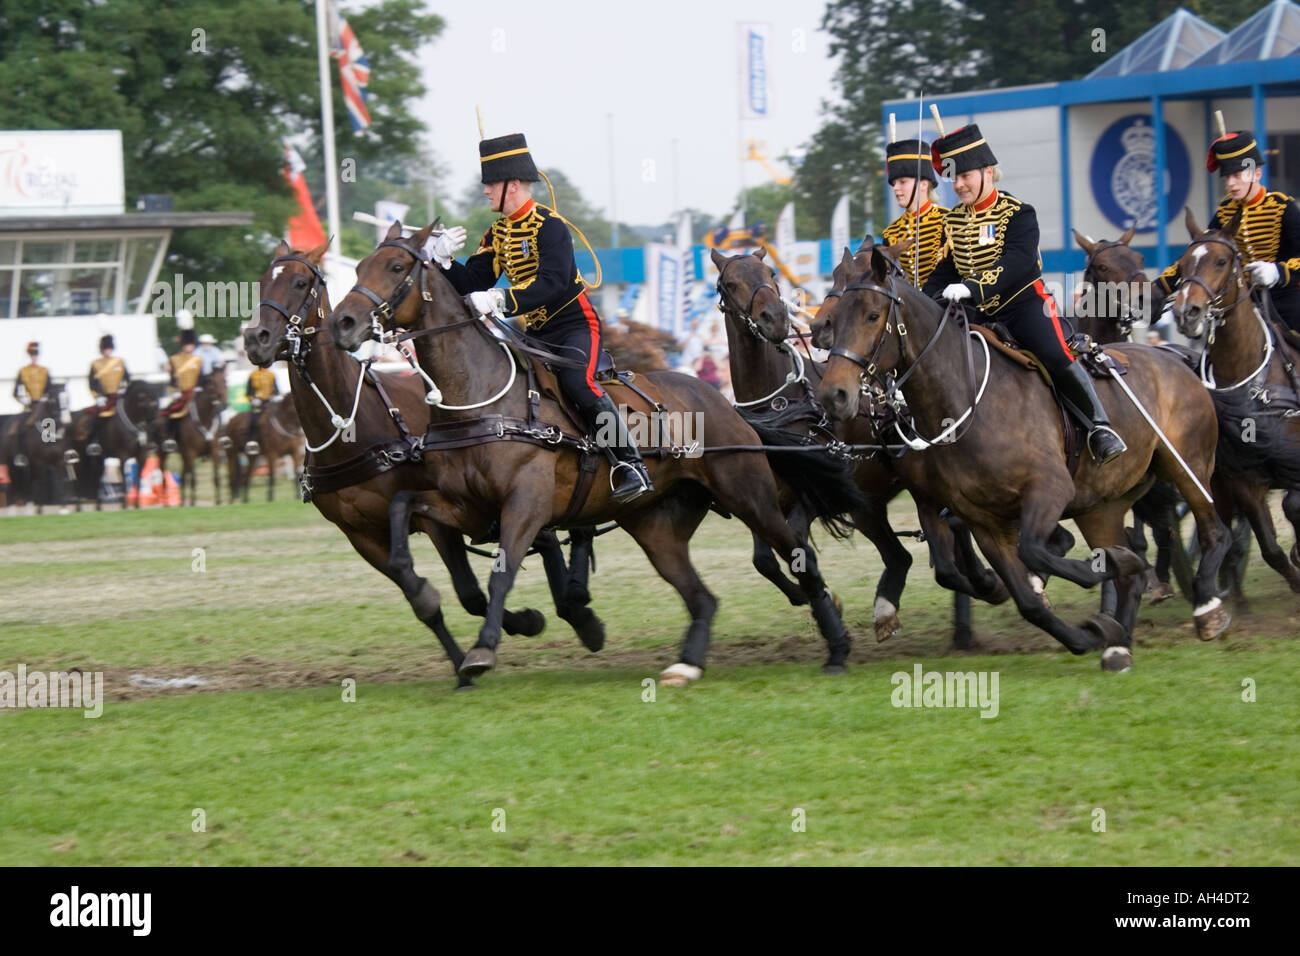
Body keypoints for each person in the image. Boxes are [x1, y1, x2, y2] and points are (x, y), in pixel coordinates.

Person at [430, 132, 653, 501]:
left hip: (574, 326)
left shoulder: (549, 226)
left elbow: (552, 283)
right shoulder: (497, 233)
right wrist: (445, 262)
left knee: (577, 382)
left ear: (512, 185)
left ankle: (631, 464)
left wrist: (500, 298)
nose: (485, 192)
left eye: (491, 185)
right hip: (532, 332)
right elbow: (473, 282)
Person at [922, 124, 1126, 464]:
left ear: (988, 172)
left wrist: (970, 287)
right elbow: (944, 273)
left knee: (1055, 353)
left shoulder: (1018, 213)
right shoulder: (953, 221)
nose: (958, 185)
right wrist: (922, 300)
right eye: (952, 178)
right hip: (978, 313)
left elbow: (1018, 263)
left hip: (1024, 306)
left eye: (965, 176)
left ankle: (1099, 427)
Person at [1154, 129, 1300, 334]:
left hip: (1286, 301)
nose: (1231, 183)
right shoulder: (1225, 212)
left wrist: (1277, 272)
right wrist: (1158, 289)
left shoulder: (1282, 207)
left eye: (1237, 175)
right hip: (1242, 302)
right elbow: (1199, 256)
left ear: (1256, 174)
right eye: (1227, 177)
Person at [881, 138, 947, 288]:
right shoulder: (891, 233)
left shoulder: (947, 220)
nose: (896, 188)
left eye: (903, 182)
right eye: (894, 183)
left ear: (923, 184)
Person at [87, 334, 130, 456]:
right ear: (102, 349)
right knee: (95, 417)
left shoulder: (119, 362)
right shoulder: (95, 364)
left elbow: (127, 379)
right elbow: (91, 384)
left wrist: (124, 389)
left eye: (109, 348)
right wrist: (97, 397)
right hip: (104, 398)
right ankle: (94, 442)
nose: (108, 351)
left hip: (119, 397)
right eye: (106, 349)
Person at [162, 329, 202, 451]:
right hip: (180, 393)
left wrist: (200, 387)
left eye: (190, 344)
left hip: (195, 391)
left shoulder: (198, 359)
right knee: (172, 412)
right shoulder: (174, 359)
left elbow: (202, 376)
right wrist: (174, 391)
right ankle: (170, 438)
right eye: (186, 344)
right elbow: (172, 378)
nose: (189, 347)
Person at [11, 342, 49, 466]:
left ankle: (53, 453)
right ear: (29, 355)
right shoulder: (23, 371)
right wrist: (22, 398)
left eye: (36, 354)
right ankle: (22, 455)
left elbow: (49, 388)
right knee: (21, 427)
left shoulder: (44, 371)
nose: (34, 357)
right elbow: (16, 391)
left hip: (42, 405)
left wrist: (46, 397)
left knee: (51, 424)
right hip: (30, 406)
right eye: (32, 354)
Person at [245, 365, 279, 454]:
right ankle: (252, 441)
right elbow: (249, 391)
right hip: (258, 403)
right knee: (254, 420)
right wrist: (253, 399)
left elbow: (276, 389)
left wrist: (275, 396)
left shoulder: (271, 375)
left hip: (269, 401)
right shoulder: (253, 374)